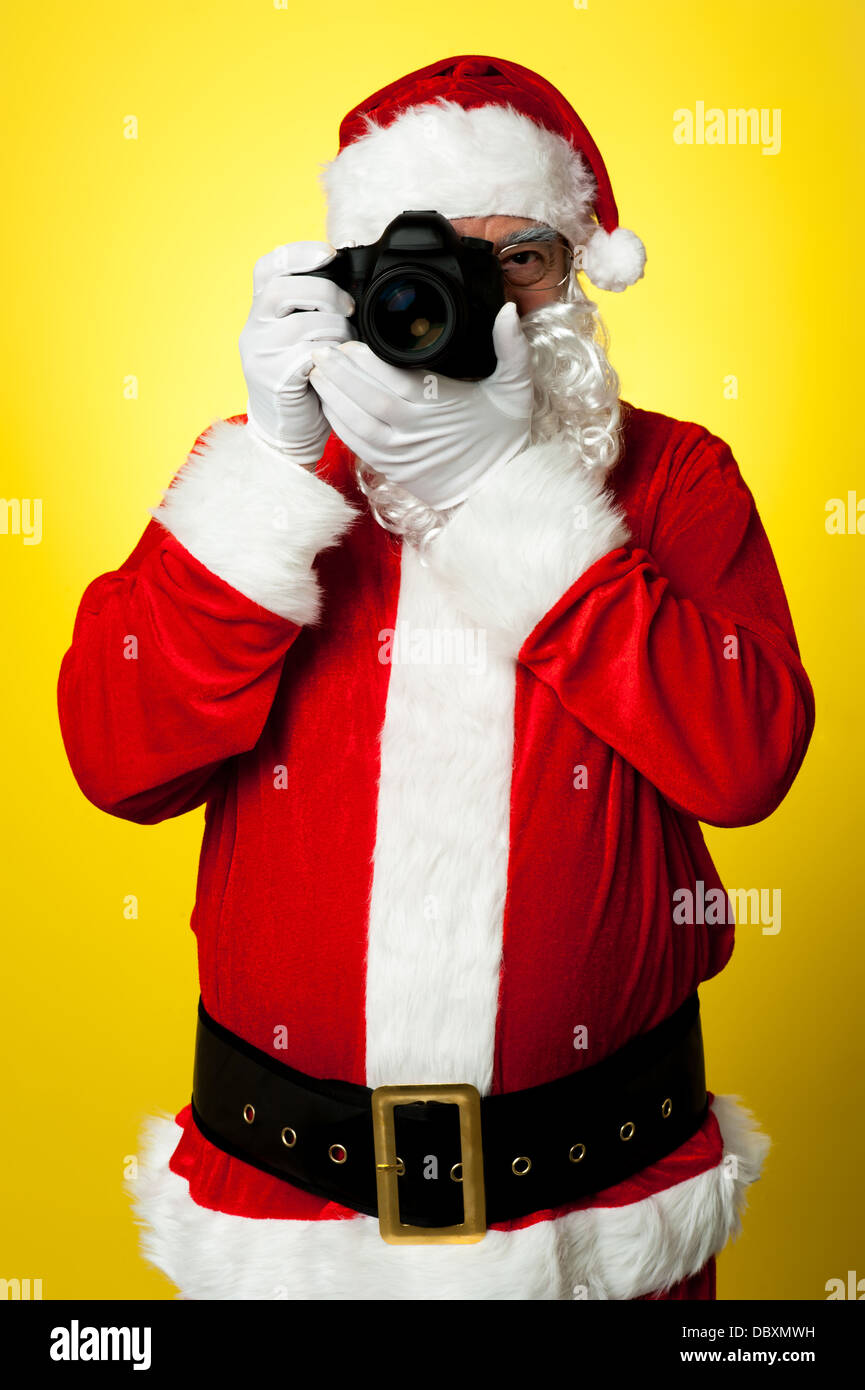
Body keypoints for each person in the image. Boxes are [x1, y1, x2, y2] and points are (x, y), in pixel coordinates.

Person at [56, 54, 815, 1301]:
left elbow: (743, 761)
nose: (481, 299)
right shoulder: (263, 474)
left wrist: (502, 494)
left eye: (522, 257)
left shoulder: (674, 478)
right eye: (427, 255)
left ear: (577, 277)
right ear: (345, 276)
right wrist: (279, 474)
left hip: (600, 1209)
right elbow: (118, 761)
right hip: (289, 1212)